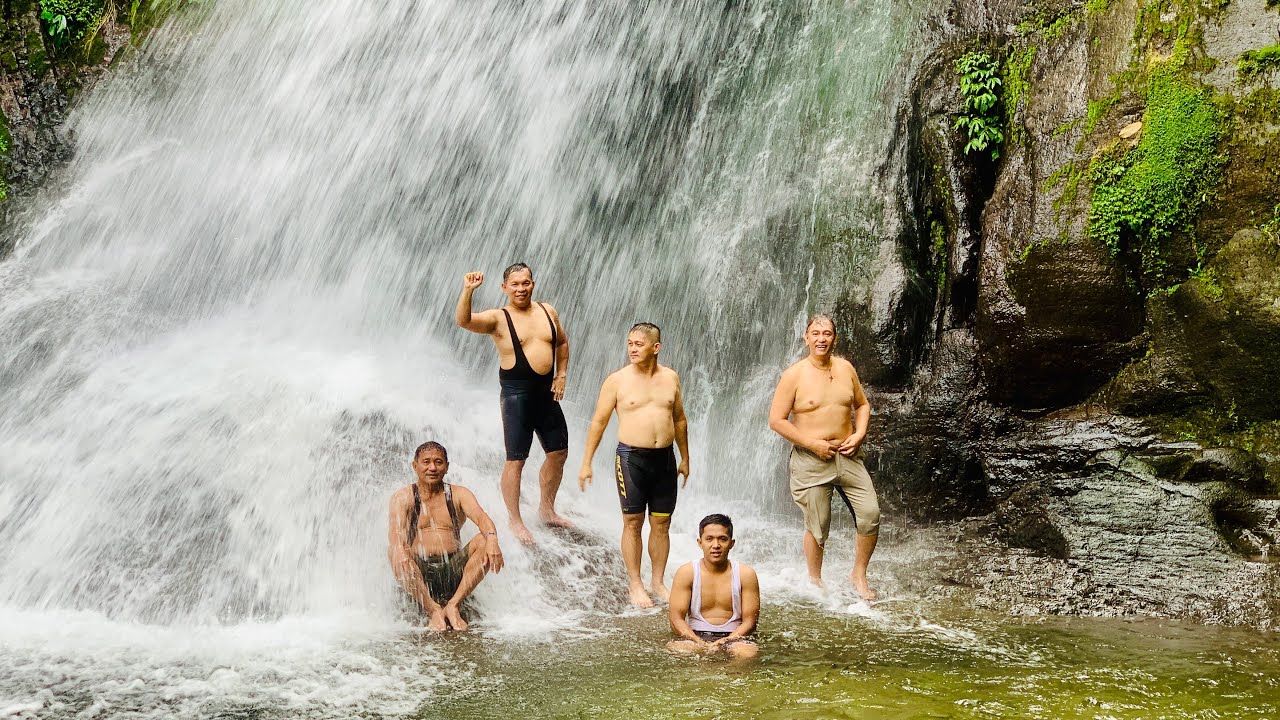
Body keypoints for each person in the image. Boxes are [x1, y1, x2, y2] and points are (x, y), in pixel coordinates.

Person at [455, 263, 573, 544]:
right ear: (504, 288)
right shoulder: (498, 318)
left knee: (559, 453)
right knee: (516, 460)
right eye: (515, 284)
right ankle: (515, 519)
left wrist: (562, 374)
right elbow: (464, 321)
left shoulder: (548, 311)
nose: (521, 289)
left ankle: (546, 509)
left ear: (533, 283)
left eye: (526, 283)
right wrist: (468, 290)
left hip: (547, 394)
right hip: (516, 396)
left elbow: (562, 343)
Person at [767, 314, 881, 599]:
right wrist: (812, 444)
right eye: (815, 333)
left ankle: (858, 574)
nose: (821, 338)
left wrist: (859, 434)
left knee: (870, 514)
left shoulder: (845, 369)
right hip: (811, 458)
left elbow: (863, 405)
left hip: (847, 453)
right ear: (806, 338)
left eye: (827, 333)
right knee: (818, 525)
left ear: (835, 338)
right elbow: (777, 420)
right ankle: (815, 580)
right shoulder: (793, 375)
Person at [579, 322, 690, 607]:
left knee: (662, 523)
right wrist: (587, 462)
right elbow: (599, 422)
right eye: (630, 343)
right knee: (632, 522)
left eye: (639, 344)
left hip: (665, 459)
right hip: (631, 459)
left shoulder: (671, 378)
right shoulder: (617, 380)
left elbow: (679, 419)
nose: (632, 348)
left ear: (656, 348)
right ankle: (635, 583)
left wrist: (685, 458)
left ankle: (657, 581)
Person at [387, 441, 505, 631]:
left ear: (447, 466)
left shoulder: (458, 494)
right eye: (426, 462)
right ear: (415, 466)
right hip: (420, 571)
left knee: (484, 540)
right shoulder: (403, 497)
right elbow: (395, 533)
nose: (432, 467)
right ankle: (432, 609)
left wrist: (492, 539)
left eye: (438, 462)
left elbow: (482, 518)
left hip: (453, 571)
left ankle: (453, 605)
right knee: (395, 549)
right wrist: (398, 550)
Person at [667, 514, 759, 660]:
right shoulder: (687, 572)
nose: (716, 545)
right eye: (709, 539)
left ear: (731, 543)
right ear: (700, 542)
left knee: (748, 652)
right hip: (695, 635)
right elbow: (675, 618)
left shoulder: (745, 574)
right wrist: (698, 642)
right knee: (678, 649)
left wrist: (724, 642)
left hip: (735, 637)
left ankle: (732, 680)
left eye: (722, 539)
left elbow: (750, 622)